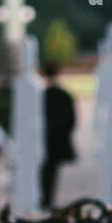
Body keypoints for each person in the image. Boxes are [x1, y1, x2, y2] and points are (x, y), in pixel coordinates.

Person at [40, 61, 76, 209]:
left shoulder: (41, 95)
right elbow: (71, 119)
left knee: (45, 170)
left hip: (46, 139)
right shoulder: (63, 94)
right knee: (52, 170)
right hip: (57, 139)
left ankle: (45, 197)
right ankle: (48, 198)